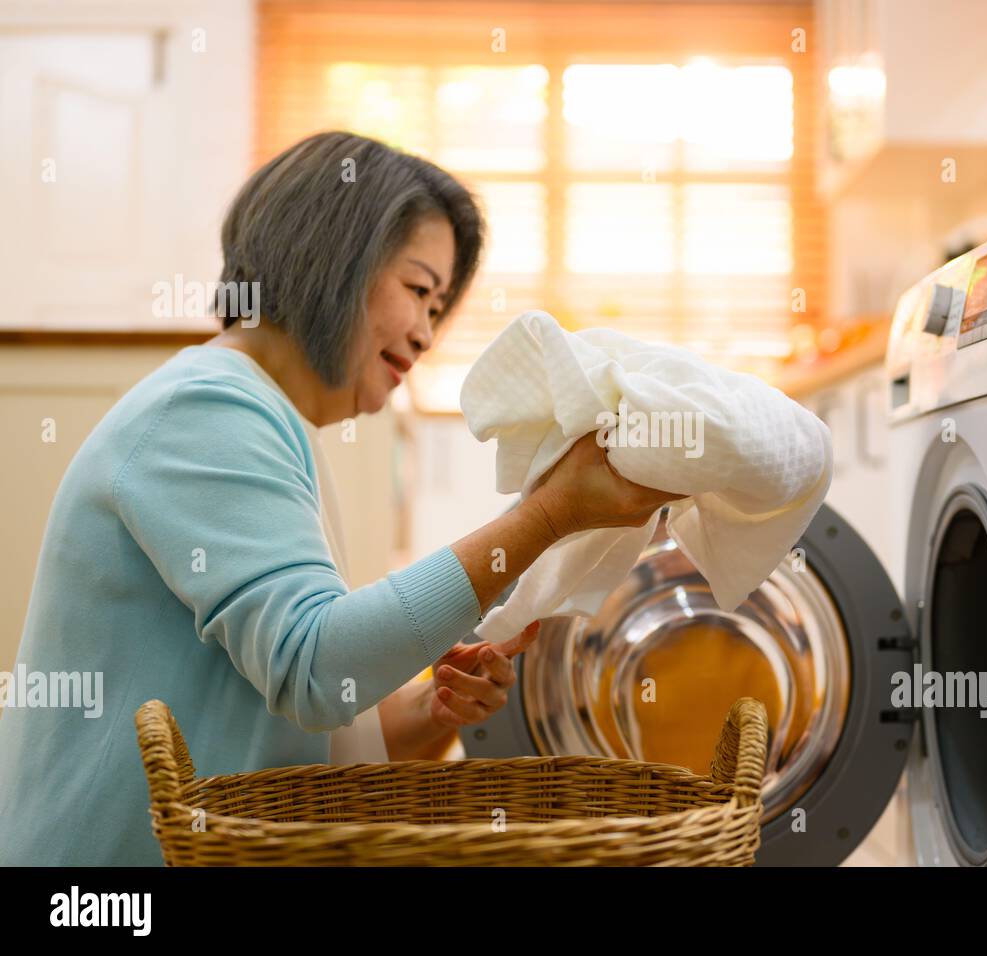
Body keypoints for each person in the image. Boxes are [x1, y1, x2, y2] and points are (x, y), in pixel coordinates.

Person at [0, 131, 677, 865]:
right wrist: (547, 516)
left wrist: (428, 708)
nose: (425, 335)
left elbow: (305, 723)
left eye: (438, 307)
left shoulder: (261, 422)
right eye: (419, 291)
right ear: (331, 257)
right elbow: (315, 667)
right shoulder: (204, 410)